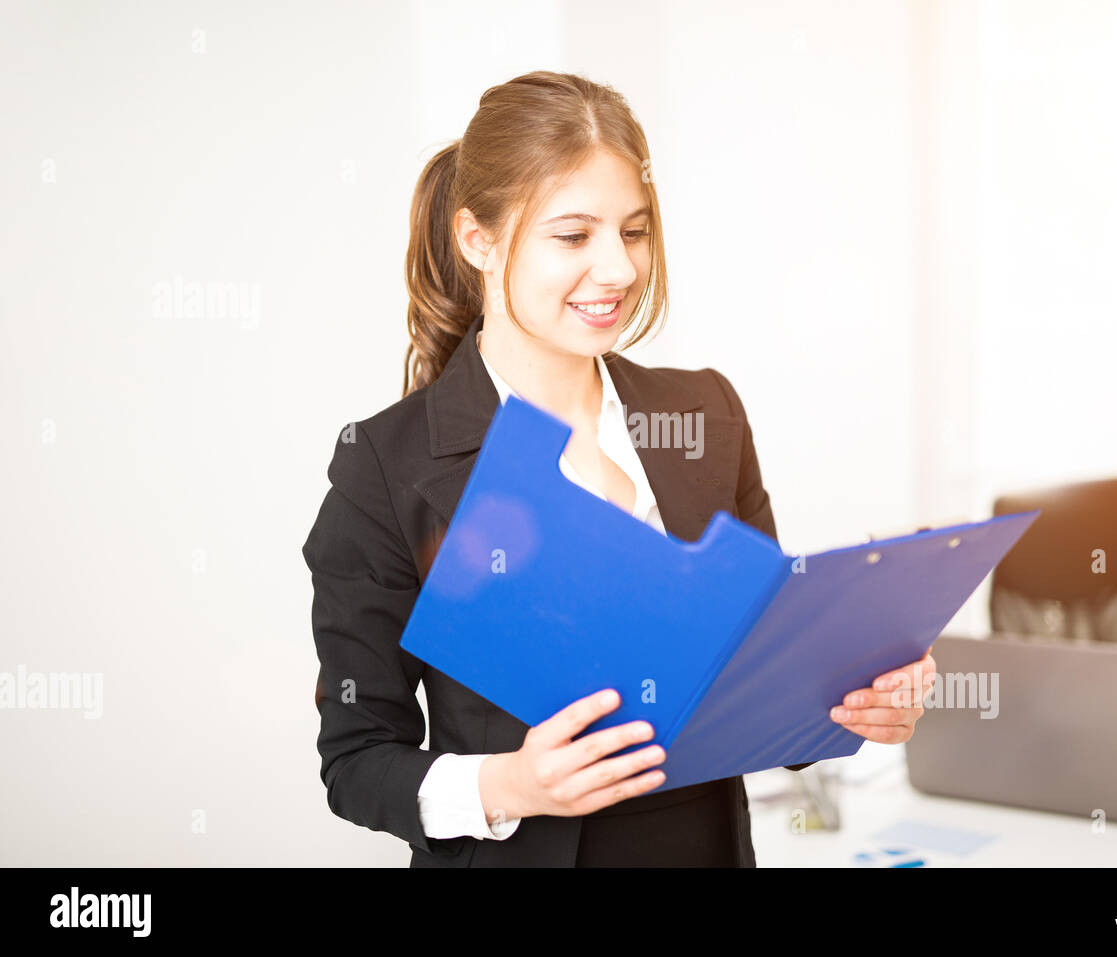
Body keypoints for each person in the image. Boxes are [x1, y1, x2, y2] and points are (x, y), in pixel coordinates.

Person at [303, 70, 936, 867]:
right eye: (573, 236)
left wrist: (859, 704)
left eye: (633, 232)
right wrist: (511, 784)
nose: (618, 269)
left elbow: (759, 684)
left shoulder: (705, 416)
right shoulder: (386, 469)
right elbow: (358, 759)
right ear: (479, 239)